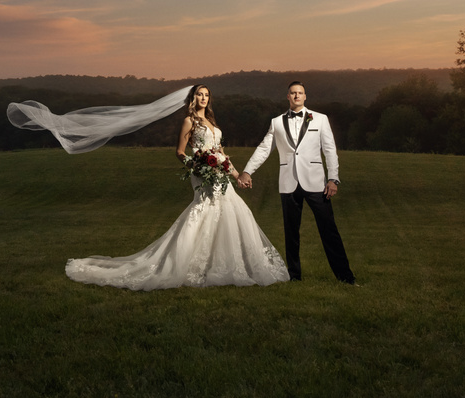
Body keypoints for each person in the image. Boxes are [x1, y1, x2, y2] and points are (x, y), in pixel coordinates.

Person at [55, 86, 290, 289]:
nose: (203, 98)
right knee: (205, 210)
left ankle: (225, 264)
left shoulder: (212, 121)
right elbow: (180, 151)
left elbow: (220, 153)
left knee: (229, 210)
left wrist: (238, 175)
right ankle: (187, 264)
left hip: (220, 173)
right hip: (202, 173)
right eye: (199, 94)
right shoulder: (190, 121)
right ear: (192, 98)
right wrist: (195, 166)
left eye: (207, 95)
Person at [239, 81, 356, 284]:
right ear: (287, 96)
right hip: (288, 183)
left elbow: (329, 150)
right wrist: (248, 171)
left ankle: (345, 276)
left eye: (300, 93)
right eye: (293, 93)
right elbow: (264, 149)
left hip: (317, 183)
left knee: (329, 230)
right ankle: (294, 276)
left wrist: (332, 178)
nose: (296, 96)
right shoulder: (276, 122)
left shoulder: (320, 119)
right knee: (291, 233)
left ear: (305, 96)